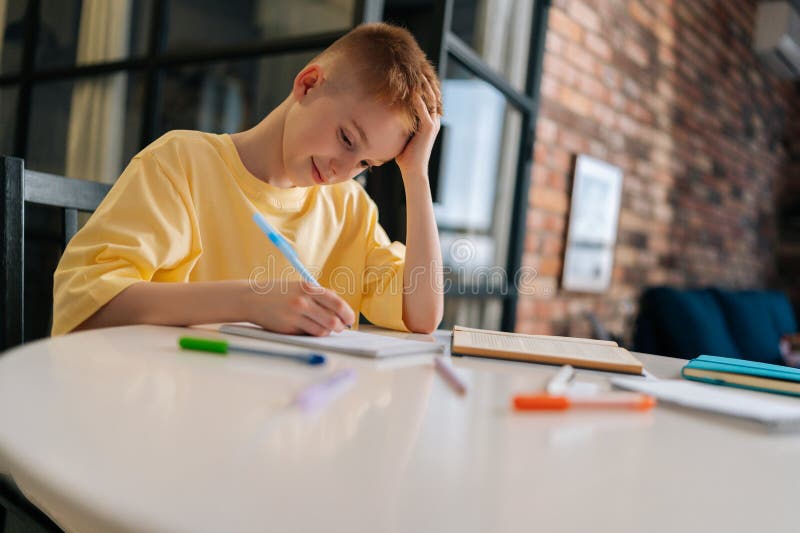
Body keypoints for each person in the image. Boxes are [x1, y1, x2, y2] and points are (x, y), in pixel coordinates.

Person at [52, 22, 444, 337]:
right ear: (308, 84)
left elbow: (424, 316)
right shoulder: (183, 164)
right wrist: (249, 300)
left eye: (366, 163)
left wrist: (416, 174)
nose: (343, 170)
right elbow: (86, 308)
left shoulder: (349, 208)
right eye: (346, 139)